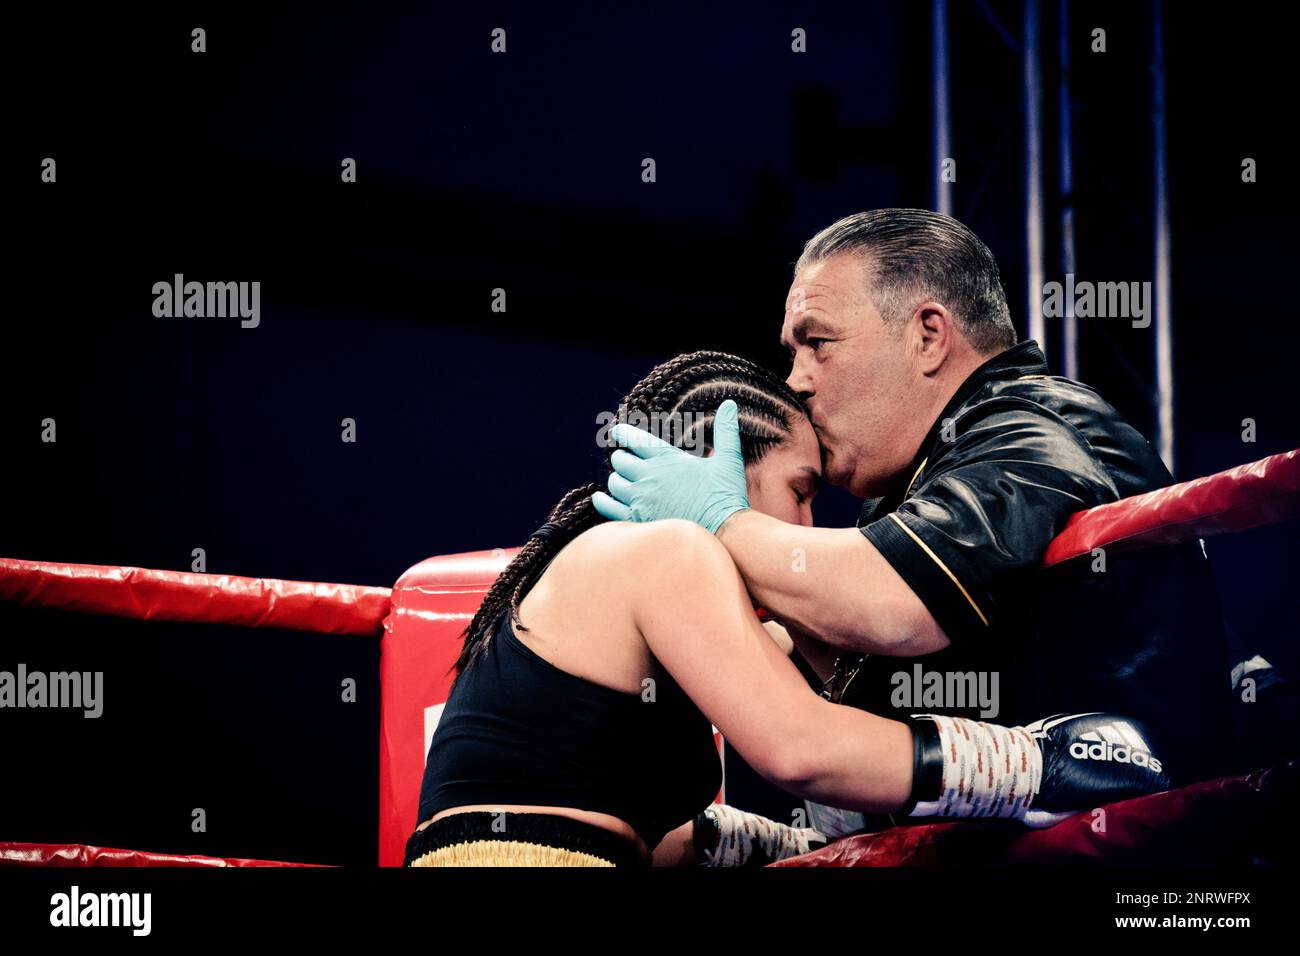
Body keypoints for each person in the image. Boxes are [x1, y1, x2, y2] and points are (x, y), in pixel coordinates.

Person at [405, 351, 1171, 868]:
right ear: (718, 467)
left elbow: (623, 820)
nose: (805, 530)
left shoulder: (627, 580)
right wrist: (1034, 764)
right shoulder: (662, 551)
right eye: (802, 492)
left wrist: (775, 844)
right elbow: (805, 749)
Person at [595, 209, 1234, 815]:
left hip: (1144, 867)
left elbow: (894, 612)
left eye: (818, 343)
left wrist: (723, 523)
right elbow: (875, 693)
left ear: (928, 336)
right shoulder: (909, 486)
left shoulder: (1028, 428)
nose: (795, 379)